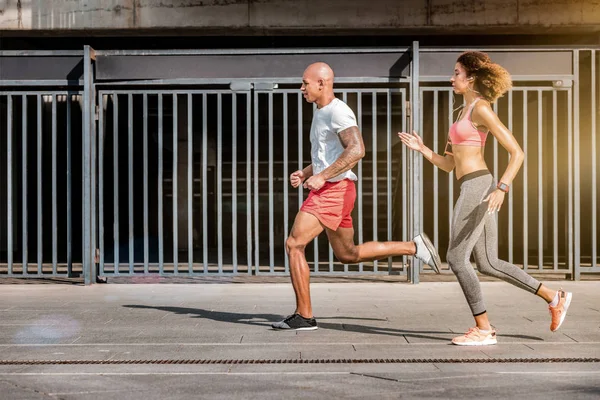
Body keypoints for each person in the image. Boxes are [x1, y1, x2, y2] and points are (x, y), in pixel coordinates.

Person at [398, 51, 572, 346]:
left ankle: (484, 329)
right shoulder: (458, 114)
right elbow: (449, 165)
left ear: (471, 78)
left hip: (480, 186)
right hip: (468, 184)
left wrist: (501, 188)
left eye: (456, 73)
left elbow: (517, 152)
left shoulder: (481, 109)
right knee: (489, 262)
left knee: (456, 257)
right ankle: (554, 297)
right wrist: (423, 149)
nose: (451, 78)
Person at [271, 62, 441, 331]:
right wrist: (305, 173)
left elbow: (357, 150)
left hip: (334, 191)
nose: (301, 88)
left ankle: (304, 315)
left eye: (305, 83)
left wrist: (323, 177)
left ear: (322, 83)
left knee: (294, 244)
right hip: (335, 189)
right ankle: (414, 247)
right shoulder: (321, 111)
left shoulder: (338, 112)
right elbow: (327, 156)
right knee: (348, 254)